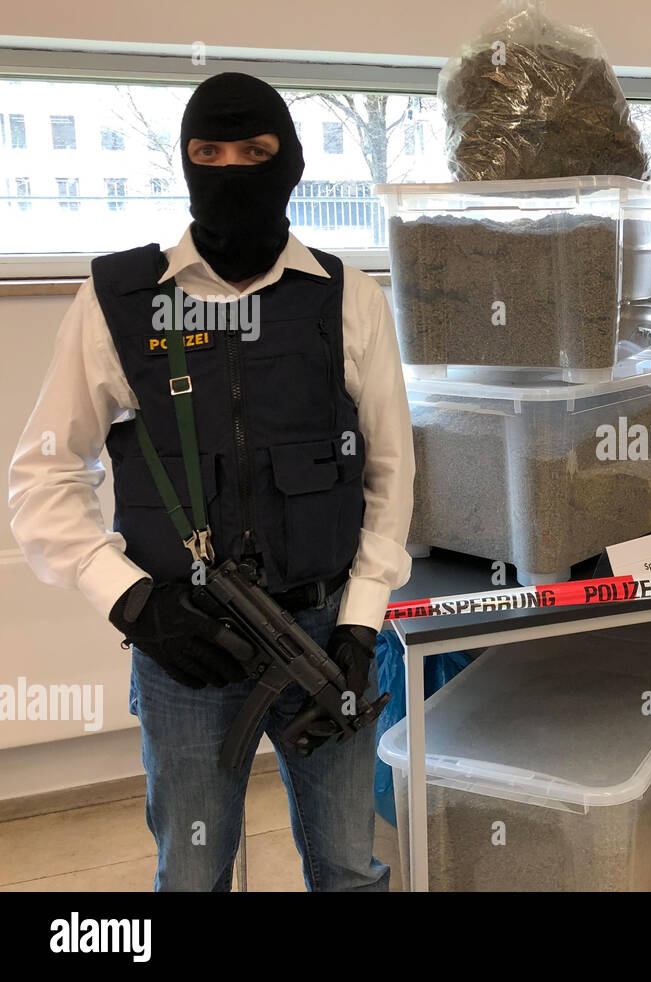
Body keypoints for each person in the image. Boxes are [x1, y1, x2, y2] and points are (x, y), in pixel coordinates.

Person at [7, 72, 414, 892]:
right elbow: (44, 473)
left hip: (325, 635)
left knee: (347, 863)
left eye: (255, 152)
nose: (232, 170)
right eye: (209, 153)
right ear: (185, 162)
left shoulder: (347, 298)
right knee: (191, 872)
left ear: (292, 164)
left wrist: (363, 622)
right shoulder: (121, 300)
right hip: (182, 651)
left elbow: (390, 471)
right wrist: (132, 601)